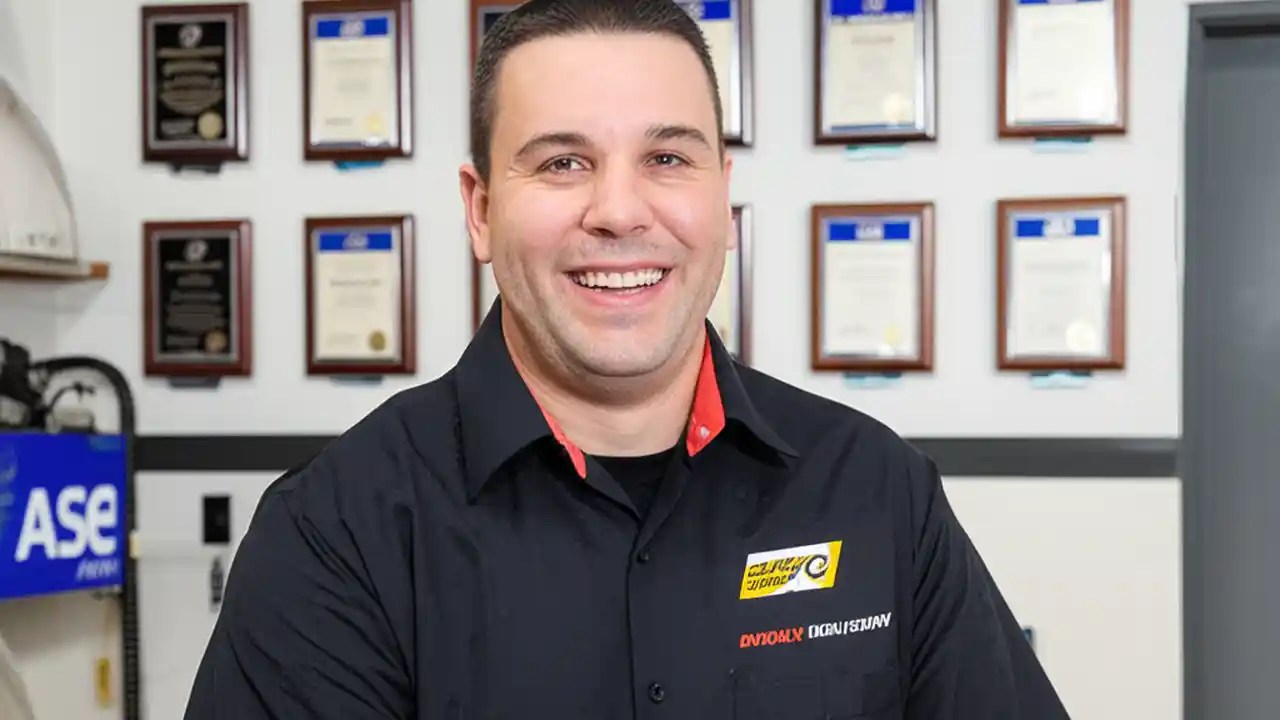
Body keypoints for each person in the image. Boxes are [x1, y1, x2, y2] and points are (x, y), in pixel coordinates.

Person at [184, 0, 1070, 717]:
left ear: (723, 196)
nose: (619, 211)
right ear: (481, 209)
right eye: (564, 161)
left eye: (667, 157)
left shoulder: (875, 489)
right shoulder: (336, 534)